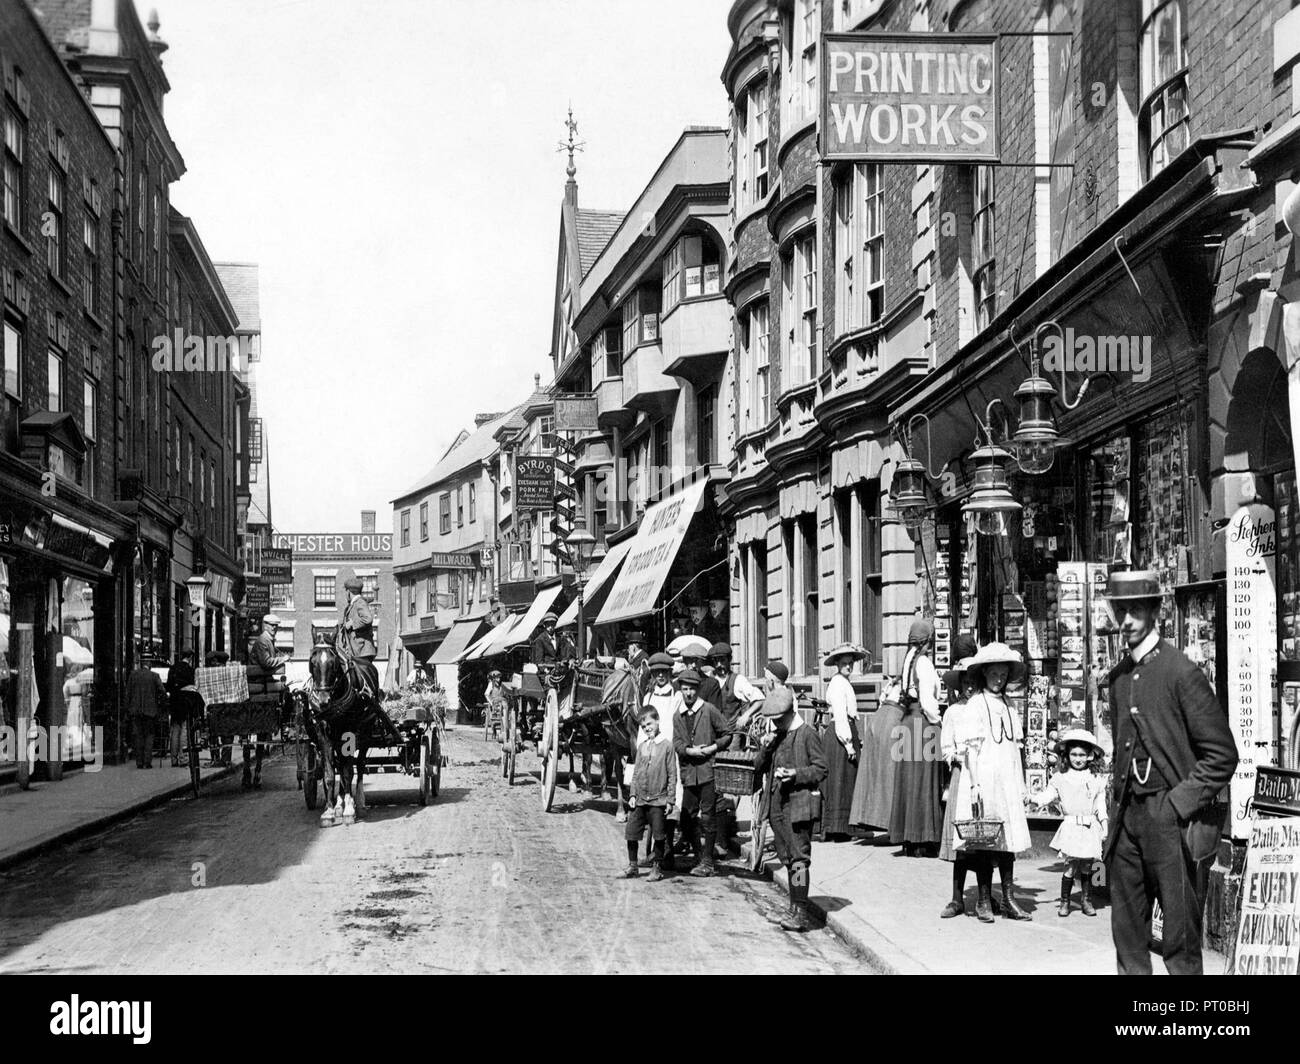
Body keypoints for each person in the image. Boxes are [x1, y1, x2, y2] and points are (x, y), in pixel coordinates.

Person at [1101, 570, 1236, 976]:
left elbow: (1222, 755)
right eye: (1120, 610)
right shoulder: (1119, 677)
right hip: (1127, 819)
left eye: (1135, 610)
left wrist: (1179, 803)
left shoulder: (1181, 672)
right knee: (1128, 938)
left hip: (1168, 817)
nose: (1126, 620)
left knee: (1179, 943)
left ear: (1156, 611)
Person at [948, 642, 1033, 922]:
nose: (999, 679)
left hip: (1007, 779)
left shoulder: (1009, 705)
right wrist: (974, 784)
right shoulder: (974, 705)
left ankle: (1008, 898)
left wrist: (1021, 784)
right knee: (985, 839)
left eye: (1003, 674)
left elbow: (1014, 748)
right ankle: (983, 899)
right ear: (983, 674)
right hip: (984, 779)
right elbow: (969, 749)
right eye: (994, 673)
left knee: (1008, 840)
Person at [754, 687, 827, 932]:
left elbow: (821, 769)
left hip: (798, 806)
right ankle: (793, 907)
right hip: (777, 805)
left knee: (799, 861)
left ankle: (801, 912)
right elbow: (758, 766)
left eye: (779, 719)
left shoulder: (808, 734)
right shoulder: (778, 735)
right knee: (787, 858)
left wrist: (796, 774)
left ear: (790, 712)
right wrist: (765, 747)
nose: (775, 723)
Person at [1030, 728, 1109, 918]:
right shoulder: (1060, 778)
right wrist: (1035, 799)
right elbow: (1050, 795)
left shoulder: (1096, 779)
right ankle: (1064, 901)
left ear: (1090, 756)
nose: (1078, 759)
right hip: (1072, 826)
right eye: (1074, 754)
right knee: (1070, 865)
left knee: (1088, 865)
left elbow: (1100, 804)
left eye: (1082, 755)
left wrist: (1104, 824)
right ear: (1067, 755)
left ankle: (1086, 900)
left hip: (1090, 826)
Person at [888, 619, 944, 856]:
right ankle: (923, 838)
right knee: (924, 780)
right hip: (922, 724)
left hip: (906, 722)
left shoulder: (907, 660)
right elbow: (929, 702)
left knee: (908, 781)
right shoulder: (924, 663)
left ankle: (908, 838)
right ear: (927, 640)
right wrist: (939, 721)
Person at [704, 642, 765, 855]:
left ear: (729, 661)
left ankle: (724, 834)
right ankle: (718, 831)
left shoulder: (738, 681)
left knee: (728, 782)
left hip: (731, 736)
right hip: (712, 736)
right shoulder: (709, 680)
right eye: (716, 661)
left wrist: (746, 715)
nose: (720, 665)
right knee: (711, 781)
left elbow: (759, 698)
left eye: (723, 660)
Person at [672, 668, 732, 877]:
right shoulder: (678, 716)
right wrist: (688, 750)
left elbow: (727, 734)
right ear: (680, 690)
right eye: (685, 689)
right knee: (687, 817)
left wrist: (712, 748)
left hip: (708, 771)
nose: (688, 693)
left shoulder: (709, 710)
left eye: (692, 689)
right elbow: (677, 742)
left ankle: (708, 861)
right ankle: (698, 855)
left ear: (698, 690)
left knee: (708, 816)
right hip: (689, 773)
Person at [622, 706, 678, 881]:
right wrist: (632, 795)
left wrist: (670, 799)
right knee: (631, 832)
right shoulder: (642, 747)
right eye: (643, 726)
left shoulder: (667, 746)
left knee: (659, 836)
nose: (647, 728)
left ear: (657, 721)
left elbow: (672, 774)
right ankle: (633, 866)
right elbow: (636, 772)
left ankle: (656, 868)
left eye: (649, 724)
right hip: (640, 799)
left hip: (658, 800)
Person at [642, 652, 685, 869]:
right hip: (651, 758)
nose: (660, 676)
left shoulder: (677, 698)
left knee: (669, 802)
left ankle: (666, 852)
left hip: (670, 757)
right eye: (656, 672)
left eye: (664, 672)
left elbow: (676, 727)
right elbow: (643, 732)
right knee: (650, 803)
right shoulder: (648, 698)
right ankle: (653, 852)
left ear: (669, 673)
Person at [820, 643, 865, 841]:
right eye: (844, 663)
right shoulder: (838, 683)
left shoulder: (843, 682)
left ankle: (841, 826)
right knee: (841, 779)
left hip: (845, 730)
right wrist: (848, 744)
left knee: (844, 779)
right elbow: (839, 714)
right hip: (840, 735)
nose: (849, 666)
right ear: (837, 664)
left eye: (851, 663)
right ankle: (839, 827)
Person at [341, 578, 379, 701]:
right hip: (354, 650)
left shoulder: (360, 602)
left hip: (362, 650)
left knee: (364, 680)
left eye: (345, 591)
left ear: (348, 592)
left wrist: (352, 623)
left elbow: (368, 619)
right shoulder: (351, 606)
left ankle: (371, 698)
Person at [126, 655, 166, 769]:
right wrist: (160, 704)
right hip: (150, 711)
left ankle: (139, 762)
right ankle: (147, 762)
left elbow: (128, 693)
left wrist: (128, 709)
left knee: (138, 736)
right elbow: (162, 692)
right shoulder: (154, 676)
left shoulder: (133, 675)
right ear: (150, 665)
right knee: (149, 736)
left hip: (136, 711)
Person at [165, 651, 198, 768]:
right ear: (190, 658)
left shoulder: (173, 668)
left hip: (174, 702)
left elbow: (168, 686)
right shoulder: (190, 670)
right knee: (184, 729)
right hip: (185, 702)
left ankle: (173, 759)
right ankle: (183, 758)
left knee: (174, 730)